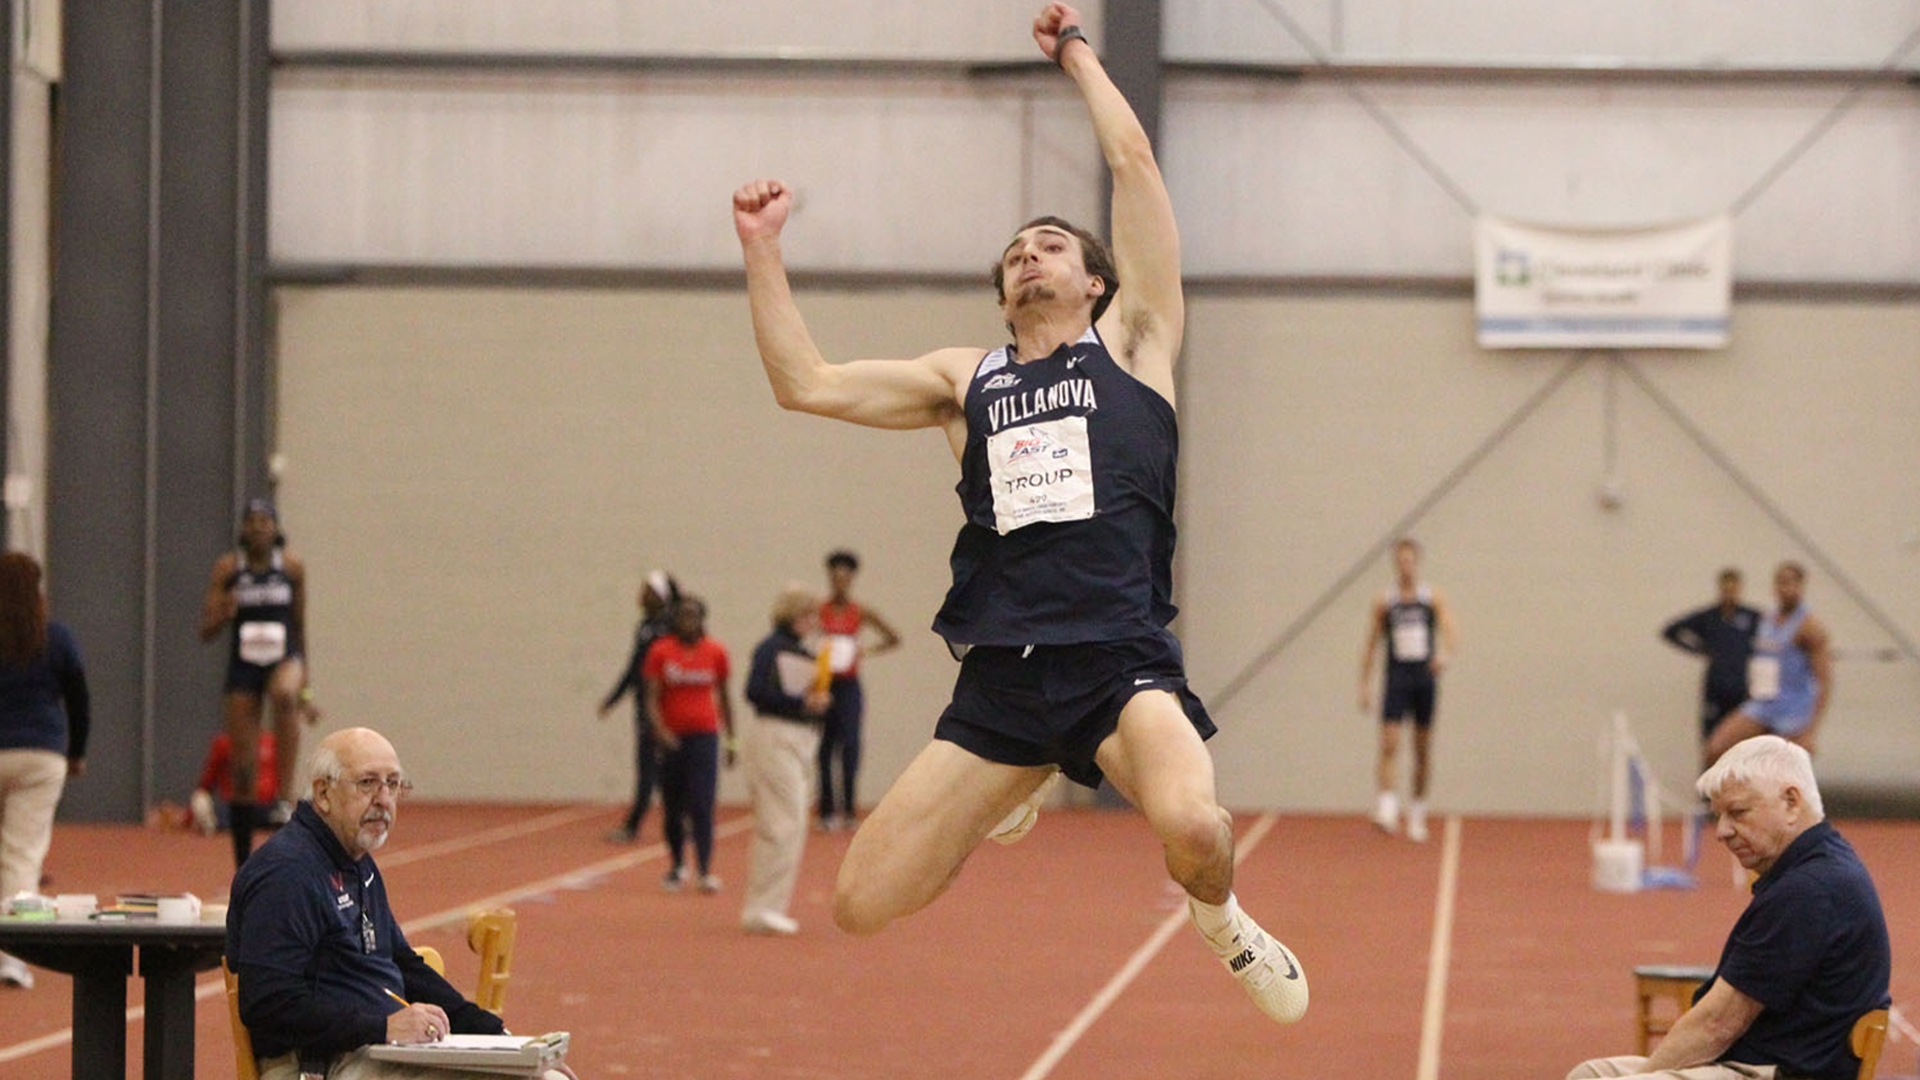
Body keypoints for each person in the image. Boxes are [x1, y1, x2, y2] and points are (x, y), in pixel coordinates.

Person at [730, 2, 1306, 1024]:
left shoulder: (1136, 342)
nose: (1030, 257)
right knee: (860, 905)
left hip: (1118, 658)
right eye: (1015, 255)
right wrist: (761, 249)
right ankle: (1020, 777)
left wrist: (1075, 52)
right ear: (1003, 295)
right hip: (1004, 674)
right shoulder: (968, 379)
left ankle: (1222, 924)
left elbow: (1132, 162)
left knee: (1196, 829)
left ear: (1096, 281)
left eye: (1051, 246)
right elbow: (804, 384)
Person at [228, 728, 576, 1079]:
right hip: (315, 1064)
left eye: (393, 784)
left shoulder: (356, 861)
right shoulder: (287, 873)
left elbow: (402, 965)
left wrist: (506, 1042)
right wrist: (382, 1027)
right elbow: (267, 1004)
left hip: (373, 1049)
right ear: (323, 793)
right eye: (367, 783)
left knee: (544, 1077)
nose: (384, 799)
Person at [1564, 735, 1889, 1080]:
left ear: (1791, 803)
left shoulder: (1808, 890)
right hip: (1758, 1061)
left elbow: (1717, 1025)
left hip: (1780, 1072)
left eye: (1738, 813)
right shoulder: (1818, 868)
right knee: (1589, 1074)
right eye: (1719, 815)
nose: (1721, 831)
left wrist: (1641, 1077)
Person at [0, 552, 89, 990]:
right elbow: (79, 698)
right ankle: (14, 957)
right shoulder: (56, 637)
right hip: (40, 756)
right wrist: (77, 753)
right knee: (20, 856)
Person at [199, 498, 317, 830]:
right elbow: (205, 630)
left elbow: (299, 626)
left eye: (265, 521)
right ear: (243, 529)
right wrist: (224, 611)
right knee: (243, 769)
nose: (258, 527)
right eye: (252, 521)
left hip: (284, 658)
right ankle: (244, 838)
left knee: (284, 694)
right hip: (245, 666)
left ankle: (284, 797)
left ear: (276, 528)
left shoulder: (291, 567)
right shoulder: (228, 568)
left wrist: (305, 689)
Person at [741, 585, 832, 935]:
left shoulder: (801, 652)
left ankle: (769, 905)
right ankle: (763, 908)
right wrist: (799, 703)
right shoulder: (771, 648)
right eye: (809, 616)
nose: (813, 622)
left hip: (799, 737)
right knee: (782, 822)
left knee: (790, 821)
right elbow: (755, 691)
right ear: (795, 616)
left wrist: (817, 701)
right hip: (775, 736)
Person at [1357, 538, 1458, 842]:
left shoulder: (1431, 597)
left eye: (1410, 560)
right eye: (1401, 561)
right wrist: (1365, 684)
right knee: (1389, 743)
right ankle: (1388, 806)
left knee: (1421, 749)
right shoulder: (1385, 601)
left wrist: (1444, 656)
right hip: (1397, 676)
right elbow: (1372, 643)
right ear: (1395, 564)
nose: (1406, 566)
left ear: (1417, 563)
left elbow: (1450, 631)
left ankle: (1417, 812)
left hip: (1423, 678)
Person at [642, 595, 734, 893]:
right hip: (672, 740)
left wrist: (732, 740)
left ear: (702, 619)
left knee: (702, 804)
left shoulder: (715, 651)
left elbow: (725, 696)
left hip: (705, 737)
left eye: (693, 616)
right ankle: (677, 865)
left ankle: (705, 870)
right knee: (673, 806)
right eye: (682, 616)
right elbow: (651, 698)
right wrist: (661, 731)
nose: (688, 621)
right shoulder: (661, 651)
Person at [1705, 562, 1831, 765]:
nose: (1786, 588)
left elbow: (1824, 681)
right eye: (1781, 582)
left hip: (1793, 711)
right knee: (1716, 748)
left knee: (1782, 769)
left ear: (1801, 586)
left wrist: (1811, 730)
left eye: (1791, 583)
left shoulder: (1809, 627)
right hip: (1764, 703)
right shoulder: (1767, 619)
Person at [815, 550, 900, 831]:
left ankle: (849, 809)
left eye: (844, 579)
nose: (839, 583)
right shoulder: (819, 610)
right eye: (835, 578)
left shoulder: (860, 611)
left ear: (851, 580)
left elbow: (893, 638)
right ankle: (826, 810)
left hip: (849, 686)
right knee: (825, 747)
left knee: (850, 745)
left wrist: (865, 650)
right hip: (825, 683)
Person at [597, 570, 680, 844]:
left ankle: (639, 824)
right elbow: (634, 669)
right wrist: (614, 698)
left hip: (663, 707)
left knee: (658, 767)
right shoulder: (646, 626)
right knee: (650, 767)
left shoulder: (669, 628)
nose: (641, 596)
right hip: (646, 706)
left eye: (647, 591)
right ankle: (663, 820)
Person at [1661, 568, 1761, 764]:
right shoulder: (1709, 617)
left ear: (1739, 589)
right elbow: (1671, 630)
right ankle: (1709, 779)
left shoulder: (1751, 617)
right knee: (1711, 741)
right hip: (1715, 687)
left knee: (1741, 741)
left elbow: (1774, 636)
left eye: (1733, 589)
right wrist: (1698, 649)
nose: (1729, 593)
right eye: (1725, 589)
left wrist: (1752, 652)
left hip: (1740, 687)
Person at [191, 730, 280, 868]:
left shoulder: (272, 742)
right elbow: (207, 781)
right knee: (212, 807)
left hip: (265, 806)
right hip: (235, 807)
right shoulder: (224, 743)